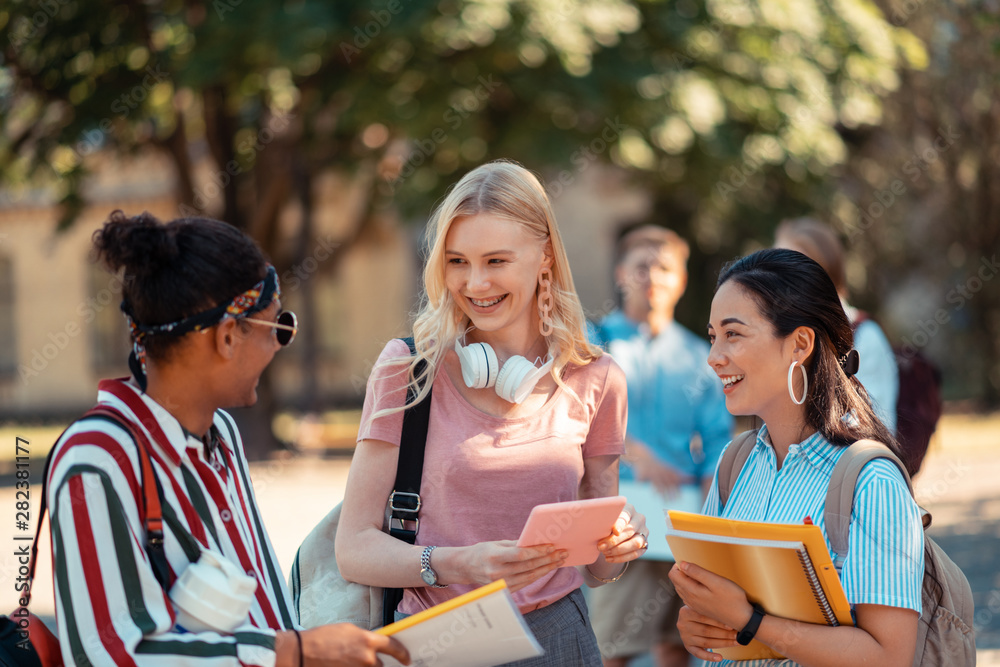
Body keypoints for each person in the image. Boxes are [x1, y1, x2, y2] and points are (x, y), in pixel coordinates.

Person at [47, 211, 410, 666]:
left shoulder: (221, 433)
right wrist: (295, 652)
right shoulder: (97, 460)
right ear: (226, 337)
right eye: (278, 326)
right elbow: (112, 654)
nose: (280, 344)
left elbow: (260, 608)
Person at [335, 160, 649, 666]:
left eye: (496, 261)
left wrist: (617, 546)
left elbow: (597, 570)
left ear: (545, 256)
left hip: (557, 641)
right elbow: (353, 547)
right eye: (457, 261)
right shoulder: (408, 369)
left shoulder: (599, 377)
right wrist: (461, 564)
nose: (475, 283)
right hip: (437, 643)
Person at [669, 248, 924, 666]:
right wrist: (698, 623)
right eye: (713, 336)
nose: (714, 357)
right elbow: (720, 612)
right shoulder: (736, 464)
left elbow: (889, 656)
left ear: (799, 344)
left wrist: (751, 623)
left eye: (733, 334)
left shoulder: (872, 482)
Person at [589, 225, 732, 667]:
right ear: (621, 274)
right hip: (617, 520)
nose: (653, 276)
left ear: (682, 280)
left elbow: (717, 439)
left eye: (664, 267)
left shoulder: (700, 355)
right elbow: (577, 416)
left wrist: (710, 519)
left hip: (680, 522)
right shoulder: (593, 344)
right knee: (610, 648)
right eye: (642, 266)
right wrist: (640, 455)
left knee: (679, 644)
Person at [774, 217, 899, 434]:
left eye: (791, 270)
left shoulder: (865, 337)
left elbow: (876, 427)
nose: (776, 280)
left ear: (824, 273)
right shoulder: (782, 331)